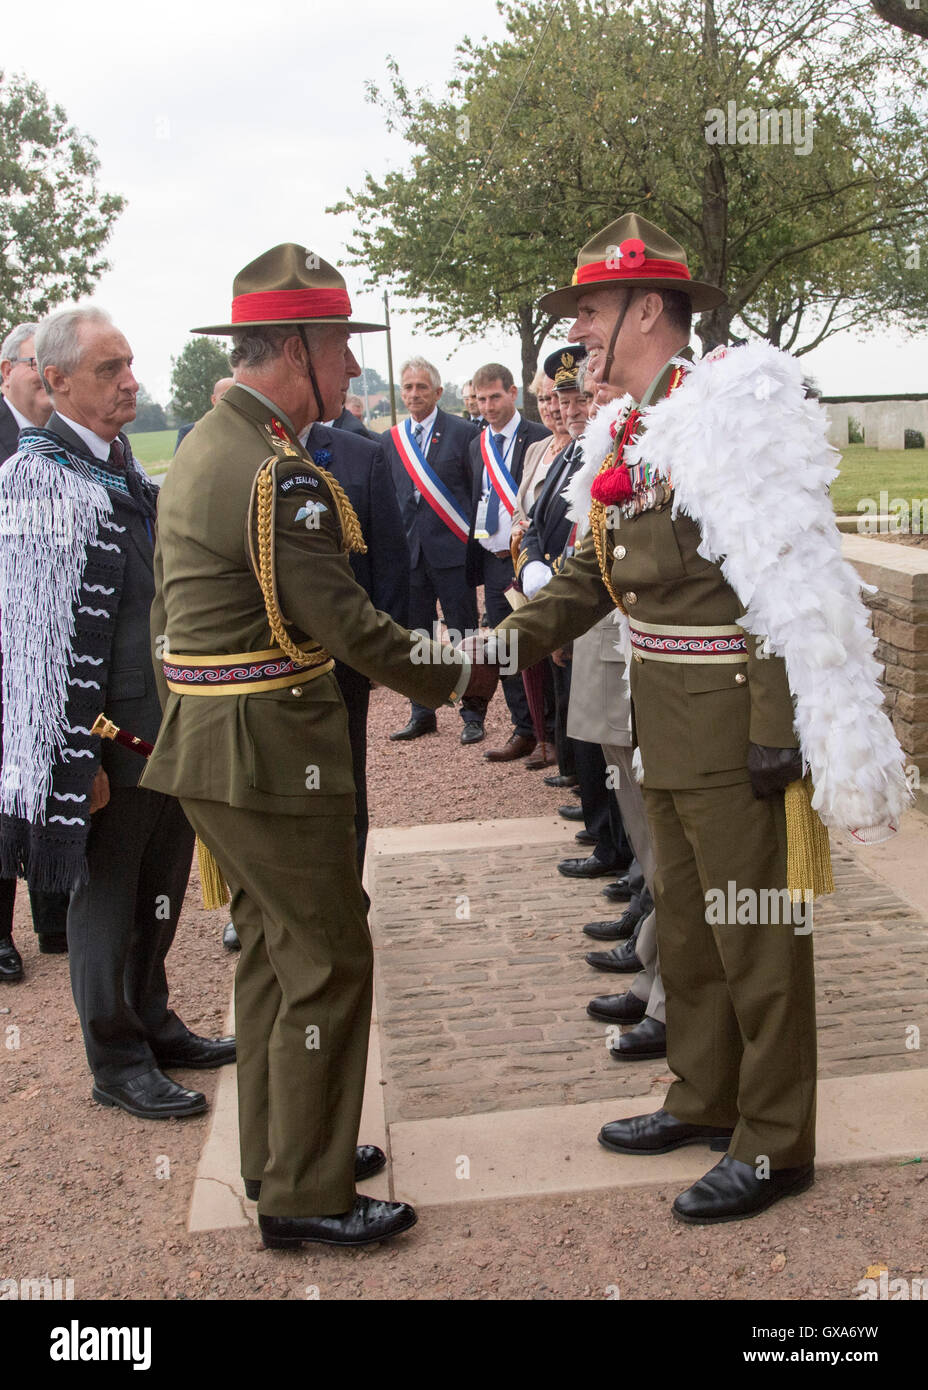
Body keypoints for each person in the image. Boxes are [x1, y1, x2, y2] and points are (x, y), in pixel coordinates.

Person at [465, 212, 907, 1224]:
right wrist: (495, 647)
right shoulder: (630, 424)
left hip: (730, 719)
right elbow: (590, 570)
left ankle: (773, 1139)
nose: (576, 329)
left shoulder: (726, 412)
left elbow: (781, 571)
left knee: (757, 929)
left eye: (589, 308)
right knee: (691, 921)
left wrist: (775, 726)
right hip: (661, 711)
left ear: (648, 307)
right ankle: (704, 1092)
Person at [141, 243, 496, 1249]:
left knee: (273, 956)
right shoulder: (277, 475)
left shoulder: (212, 446)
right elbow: (347, 625)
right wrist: (464, 672)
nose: (351, 372)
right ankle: (306, 1194)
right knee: (329, 957)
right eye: (340, 349)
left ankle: (289, 1149)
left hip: (218, 746)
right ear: (292, 349)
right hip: (266, 753)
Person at [0, 306, 235, 1118]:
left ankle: (154, 1020)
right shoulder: (38, 478)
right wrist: (73, 759)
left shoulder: (121, 468)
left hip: (160, 726)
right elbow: (34, 642)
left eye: (130, 364)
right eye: (110, 369)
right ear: (55, 380)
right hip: (102, 739)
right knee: (105, 902)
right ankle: (116, 1059)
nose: (131, 382)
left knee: (159, 888)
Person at [0, 324, 71, 979]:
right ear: (8, 370)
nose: (45, 377)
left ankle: (53, 919)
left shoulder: (64, 441)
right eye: (34, 366)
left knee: (51, 779)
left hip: (59, 634)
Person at [381, 356, 483, 744]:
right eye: (407, 387)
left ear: (438, 392)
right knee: (417, 636)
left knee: (464, 634)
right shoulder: (391, 440)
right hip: (411, 555)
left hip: (452, 553)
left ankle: (472, 712)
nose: (414, 394)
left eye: (422, 387)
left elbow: (474, 493)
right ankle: (422, 712)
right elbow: (389, 494)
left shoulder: (462, 432)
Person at [465, 363, 549, 762]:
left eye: (494, 396)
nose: (487, 406)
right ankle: (525, 729)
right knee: (505, 649)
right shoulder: (476, 443)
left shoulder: (540, 435)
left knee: (542, 645)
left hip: (531, 560)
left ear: (513, 393)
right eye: (481, 399)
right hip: (494, 562)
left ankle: (553, 734)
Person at [174, 376, 234, 451]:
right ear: (214, 400)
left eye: (235, 396)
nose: (231, 401)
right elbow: (180, 462)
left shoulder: (248, 431)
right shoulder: (188, 432)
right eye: (224, 396)